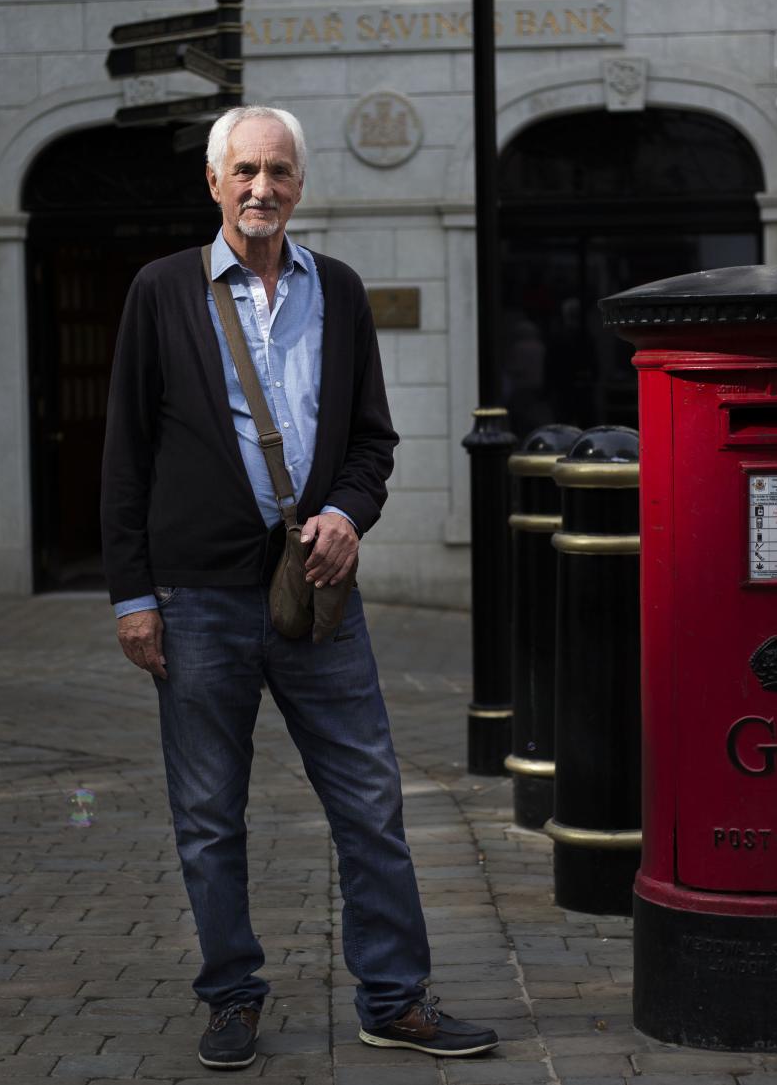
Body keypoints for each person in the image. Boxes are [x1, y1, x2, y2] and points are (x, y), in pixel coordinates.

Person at [99, 105, 499, 1072]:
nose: (260, 188)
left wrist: (349, 517)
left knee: (368, 799)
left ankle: (395, 998)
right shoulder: (161, 291)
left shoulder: (341, 290)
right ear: (213, 183)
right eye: (243, 171)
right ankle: (231, 994)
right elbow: (125, 454)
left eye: (278, 171)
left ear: (301, 185)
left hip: (318, 597)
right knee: (208, 815)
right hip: (195, 600)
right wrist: (132, 596)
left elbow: (373, 442)